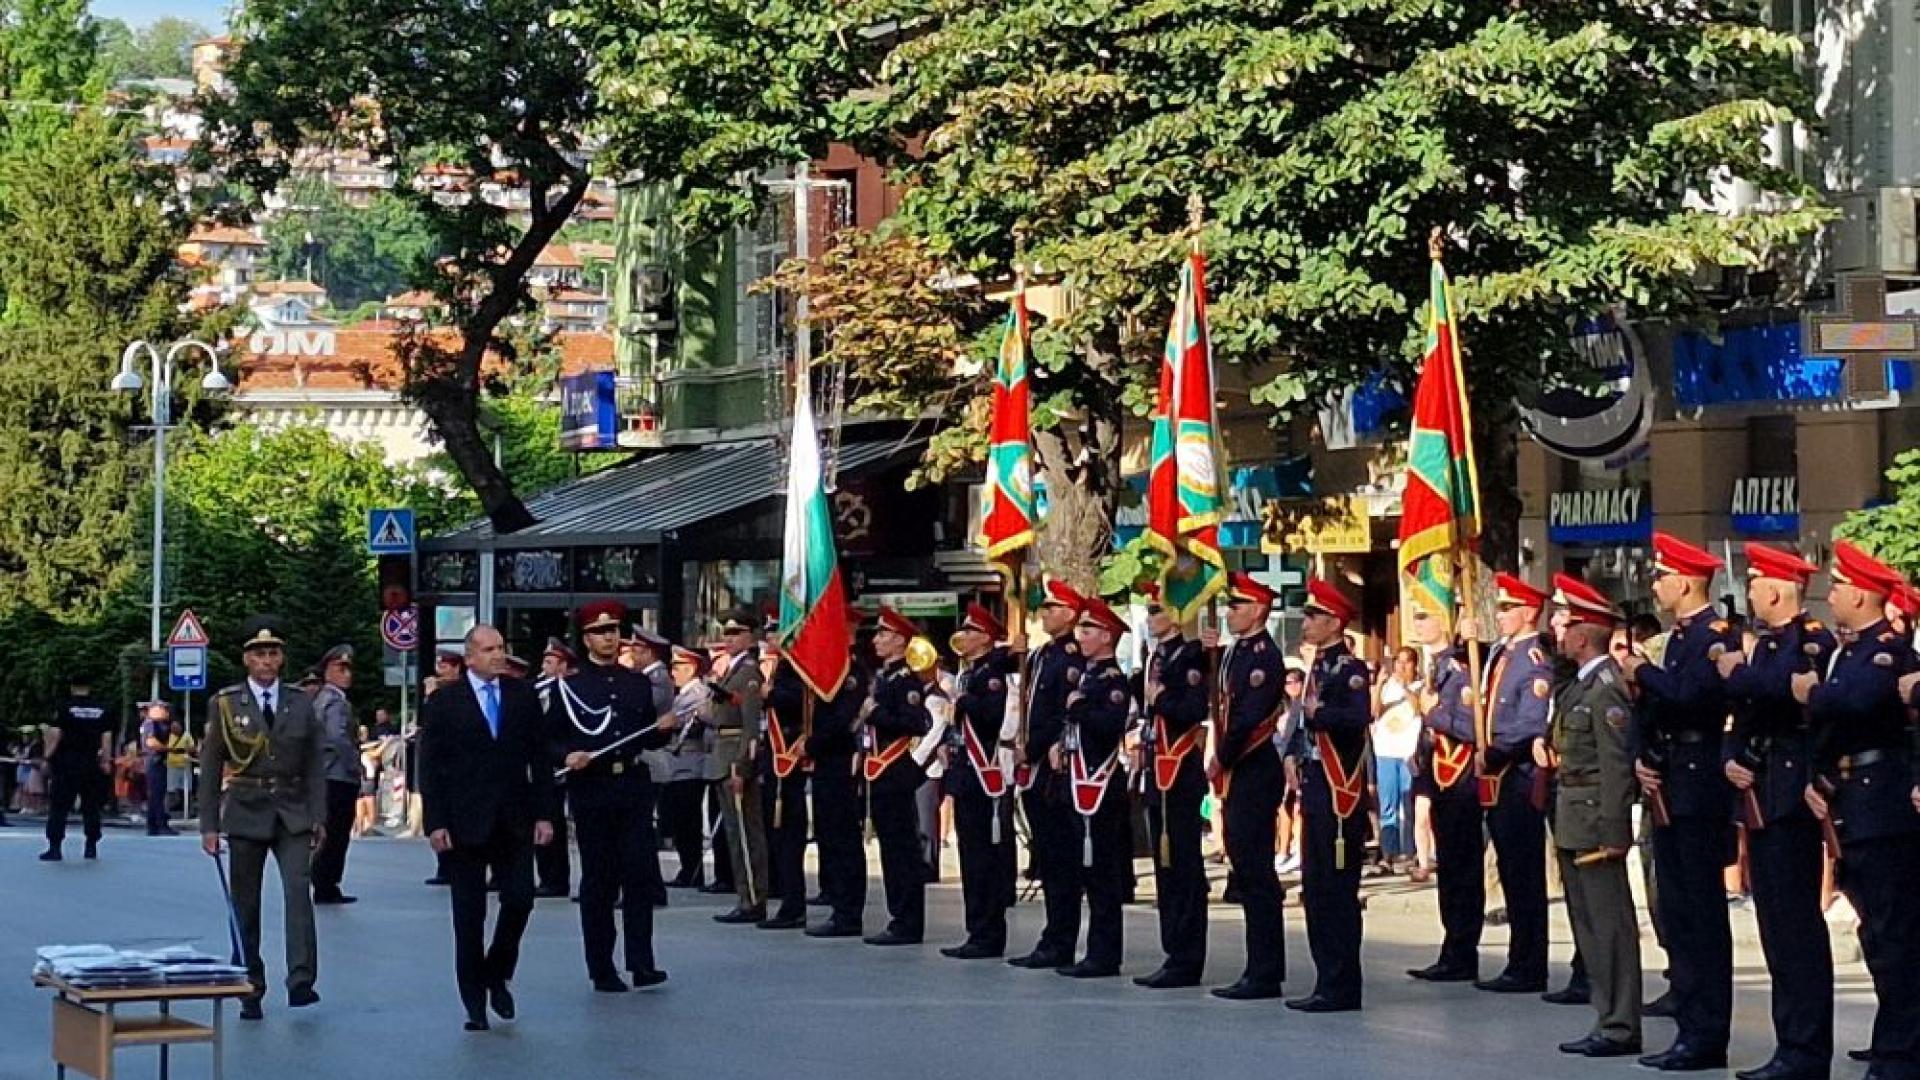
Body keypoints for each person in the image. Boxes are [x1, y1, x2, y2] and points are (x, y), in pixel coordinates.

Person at [1717, 544, 1837, 1080]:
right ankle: (1789, 1044)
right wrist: (1730, 759)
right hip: (1761, 791)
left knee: (1796, 929)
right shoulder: (1766, 647)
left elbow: (1783, 695)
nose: (1751, 588)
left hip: (1790, 799)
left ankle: (1806, 1050)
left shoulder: (1811, 641)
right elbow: (1748, 711)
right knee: (1775, 928)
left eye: (1757, 578)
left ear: (1775, 589)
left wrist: (1734, 673)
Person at [1622, 533, 1739, 1072]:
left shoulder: (1713, 634)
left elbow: (1691, 696)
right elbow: (1661, 711)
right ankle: (1690, 1024)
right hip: (1671, 777)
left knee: (1700, 915)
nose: (1655, 584)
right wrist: (1646, 755)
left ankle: (1706, 1032)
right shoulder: (1679, 637)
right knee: (1676, 910)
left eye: (1662, 576)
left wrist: (1641, 671)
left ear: (1686, 581)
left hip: (1698, 785)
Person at [1805, 543, 1919, 1080]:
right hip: (1852, 800)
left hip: (1883, 803)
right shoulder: (1847, 653)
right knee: (1876, 934)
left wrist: (1811, 693)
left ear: (1858, 593)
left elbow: (1854, 702)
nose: (1831, 596)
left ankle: (1903, 1051)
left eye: (1837, 586)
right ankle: (1891, 1039)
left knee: (1895, 934)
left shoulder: (1886, 650)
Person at [419, 623, 556, 1031]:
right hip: (465, 822)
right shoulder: (445, 702)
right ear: (470, 657)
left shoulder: (523, 695)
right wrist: (436, 822)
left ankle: (497, 970)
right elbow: (430, 767)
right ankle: (474, 1001)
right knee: (469, 915)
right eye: (490, 649)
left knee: (520, 899)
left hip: (514, 817)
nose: (499, 655)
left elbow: (541, 759)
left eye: (501, 647)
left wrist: (545, 813)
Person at [198, 616, 328, 1020]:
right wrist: (208, 825)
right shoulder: (225, 703)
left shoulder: (301, 702)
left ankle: (301, 980)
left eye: (273, 653)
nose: (267, 661)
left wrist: (318, 816)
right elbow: (212, 762)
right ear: (247, 660)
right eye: (259, 654)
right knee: (245, 903)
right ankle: (249, 984)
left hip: (291, 810)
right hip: (245, 808)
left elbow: (313, 765)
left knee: (297, 892)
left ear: (281, 659)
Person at [1539, 581, 1643, 1059]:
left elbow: (1618, 765)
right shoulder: (1578, 684)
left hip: (1595, 820)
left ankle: (1621, 1024)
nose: (1559, 630)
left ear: (1584, 634)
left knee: (1610, 927)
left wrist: (1615, 830)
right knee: (1587, 926)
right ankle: (1605, 1017)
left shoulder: (1605, 690)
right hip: (1571, 814)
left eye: (1567, 622)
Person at [550, 601, 674, 993]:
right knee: (600, 881)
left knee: (639, 876)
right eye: (601, 632)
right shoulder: (570, 685)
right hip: (593, 789)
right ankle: (602, 966)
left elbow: (645, 734)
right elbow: (548, 739)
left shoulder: (636, 682)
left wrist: (664, 728)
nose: (610, 638)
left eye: (614, 630)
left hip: (632, 787)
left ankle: (642, 962)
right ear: (586, 638)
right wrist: (566, 755)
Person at [1284, 578, 1371, 1013]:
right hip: (1316, 783)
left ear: (1335, 622)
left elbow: (1357, 717)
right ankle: (1325, 978)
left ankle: (1341, 983)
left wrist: (1321, 714)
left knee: (1336, 888)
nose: (1307, 622)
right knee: (1315, 887)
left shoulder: (1350, 670)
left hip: (1340, 792)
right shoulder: (1318, 666)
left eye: (1315, 616)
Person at [1473, 573, 1555, 996]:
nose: (1500, 615)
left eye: (1507, 608)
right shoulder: (1502, 654)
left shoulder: (1533, 659)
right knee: (1509, 869)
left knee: (1523, 874)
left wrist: (1495, 750)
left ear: (1528, 613)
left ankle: (1529, 963)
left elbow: (1529, 724)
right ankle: (1518, 958)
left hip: (1518, 774)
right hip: (1498, 776)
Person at [1047, 596, 1132, 978]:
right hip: (1077, 780)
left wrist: (1078, 707)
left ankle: (1104, 954)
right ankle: (1090, 950)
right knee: (1085, 871)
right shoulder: (1088, 675)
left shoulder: (1112, 680)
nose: (1080, 637)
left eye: (1088, 630)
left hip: (1101, 785)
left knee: (1102, 876)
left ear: (1107, 637)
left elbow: (1108, 725)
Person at [1131, 584, 1210, 989]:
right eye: (1148, 610)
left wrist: (1160, 699)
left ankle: (1186, 955)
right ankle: (1172, 949)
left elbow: (1194, 709)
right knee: (1165, 868)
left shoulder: (1189, 657)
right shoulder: (1156, 656)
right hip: (1156, 767)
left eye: (1157, 610)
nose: (1150, 617)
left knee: (1182, 863)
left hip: (1179, 771)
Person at [1008, 579, 1088, 970]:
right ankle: (1052, 936)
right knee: (1048, 856)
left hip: (1053, 769)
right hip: (1034, 767)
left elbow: (1060, 715)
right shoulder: (1041, 655)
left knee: (1060, 861)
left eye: (1053, 608)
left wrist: (1034, 747)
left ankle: (1061, 940)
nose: (1044, 613)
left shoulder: (1071, 658)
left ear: (1070, 615)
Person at [1405, 598, 1482, 983]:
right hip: (1436, 773)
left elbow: (1471, 728)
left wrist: (1431, 712)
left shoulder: (1460, 667)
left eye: (1425, 615)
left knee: (1461, 868)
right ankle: (1451, 948)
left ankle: (1463, 951)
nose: (1417, 623)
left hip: (1461, 779)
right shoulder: (1435, 667)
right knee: (1448, 867)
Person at [936, 602, 1018, 959]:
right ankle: (976, 929)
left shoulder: (991, 675)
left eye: (970, 631)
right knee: (971, 857)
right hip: (966, 771)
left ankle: (987, 933)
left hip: (985, 776)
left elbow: (990, 717)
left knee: (984, 858)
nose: (963, 637)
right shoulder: (972, 672)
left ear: (985, 638)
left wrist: (965, 700)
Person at [861, 605, 934, 945]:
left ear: (901, 641)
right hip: (879, 769)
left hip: (896, 770)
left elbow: (916, 722)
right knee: (890, 848)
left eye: (884, 634)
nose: (877, 640)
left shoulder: (906, 679)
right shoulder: (884, 677)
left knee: (902, 850)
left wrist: (875, 713)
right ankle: (897, 916)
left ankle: (908, 921)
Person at [804, 635, 871, 938]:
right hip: (824, 761)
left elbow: (842, 719)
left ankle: (848, 912)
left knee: (843, 838)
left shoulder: (851, 673)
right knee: (828, 834)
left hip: (839, 760)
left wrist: (812, 744)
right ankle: (837, 902)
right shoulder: (824, 672)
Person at [710, 609, 770, 922]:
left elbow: (751, 725)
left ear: (750, 637)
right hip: (722, 751)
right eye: (727, 634)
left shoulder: (748, 672)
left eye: (735, 634)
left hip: (734, 755)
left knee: (746, 833)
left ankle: (754, 899)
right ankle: (745, 895)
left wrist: (743, 766)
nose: (729, 639)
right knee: (735, 832)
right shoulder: (730, 670)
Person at [761, 642, 815, 930]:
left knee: (788, 837)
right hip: (775, 759)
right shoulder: (783, 666)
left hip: (790, 758)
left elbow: (803, 700)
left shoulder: (797, 667)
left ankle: (793, 905)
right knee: (778, 837)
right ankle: (787, 900)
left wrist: (772, 694)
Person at [41, 675, 113, 861]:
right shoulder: (101, 709)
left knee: (59, 806)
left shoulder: (64, 707)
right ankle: (91, 846)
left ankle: (55, 848)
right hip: (91, 763)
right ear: (89, 687)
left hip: (67, 763)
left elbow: (56, 734)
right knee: (91, 806)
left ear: (72, 687)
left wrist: (46, 757)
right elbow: (106, 738)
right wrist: (105, 761)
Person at [310, 645, 361, 905]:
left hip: (326, 775)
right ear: (327, 671)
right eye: (340, 668)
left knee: (329, 831)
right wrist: (356, 765)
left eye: (349, 668)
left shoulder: (322, 699)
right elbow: (338, 737)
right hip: (337, 775)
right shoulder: (335, 702)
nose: (347, 674)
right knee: (337, 832)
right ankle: (327, 883)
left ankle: (323, 880)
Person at [662, 645, 714, 888]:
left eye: (678, 667)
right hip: (679, 762)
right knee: (681, 820)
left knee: (688, 820)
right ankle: (687, 868)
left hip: (691, 762)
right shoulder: (683, 693)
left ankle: (692, 870)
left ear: (691, 668)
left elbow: (684, 723)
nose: (673, 672)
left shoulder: (698, 693)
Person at [533, 638, 578, 899]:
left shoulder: (567, 690)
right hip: (546, 764)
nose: (544, 667)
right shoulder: (542, 688)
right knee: (545, 817)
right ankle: (548, 876)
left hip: (564, 763)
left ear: (563, 665)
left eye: (549, 662)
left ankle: (556, 878)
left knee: (555, 822)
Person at [1372, 646, 1422, 874]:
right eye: (1398, 662)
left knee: (1408, 805)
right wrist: (1381, 684)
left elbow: (1419, 708)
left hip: (1408, 751)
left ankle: (1409, 852)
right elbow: (1374, 712)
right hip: (1385, 750)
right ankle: (1388, 853)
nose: (1402, 666)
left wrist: (1405, 687)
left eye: (1407, 662)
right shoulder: (1387, 687)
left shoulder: (1420, 685)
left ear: (1414, 664)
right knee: (1388, 804)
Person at [139, 702, 178, 836]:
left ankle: (153, 826)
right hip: (153, 761)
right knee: (156, 795)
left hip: (158, 761)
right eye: (164, 709)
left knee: (156, 795)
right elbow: (151, 743)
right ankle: (160, 825)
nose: (166, 712)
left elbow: (176, 731)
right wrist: (169, 749)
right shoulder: (151, 724)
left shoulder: (160, 723)